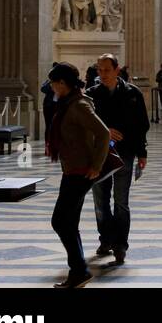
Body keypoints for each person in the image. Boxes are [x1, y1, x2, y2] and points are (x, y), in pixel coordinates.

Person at [47, 62, 111, 289]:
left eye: (54, 83)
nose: (52, 88)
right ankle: (78, 272)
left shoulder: (78, 105)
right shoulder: (69, 103)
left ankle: (79, 270)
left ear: (62, 83)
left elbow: (103, 133)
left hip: (81, 172)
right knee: (68, 222)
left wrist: (97, 164)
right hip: (73, 170)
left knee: (60, 220)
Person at [87, 53, 150, 264]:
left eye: (106, 70)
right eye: (99, 70)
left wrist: (142, 153)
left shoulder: (133, 93)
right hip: (98, 155)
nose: (102, 74)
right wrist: (105, 131)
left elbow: (142, 125)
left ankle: (120, 246)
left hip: (124, 153)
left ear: (117, 70)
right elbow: (83, 126)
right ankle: (106, 239)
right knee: (100, 202)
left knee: (121, 201)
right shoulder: (90, 94)